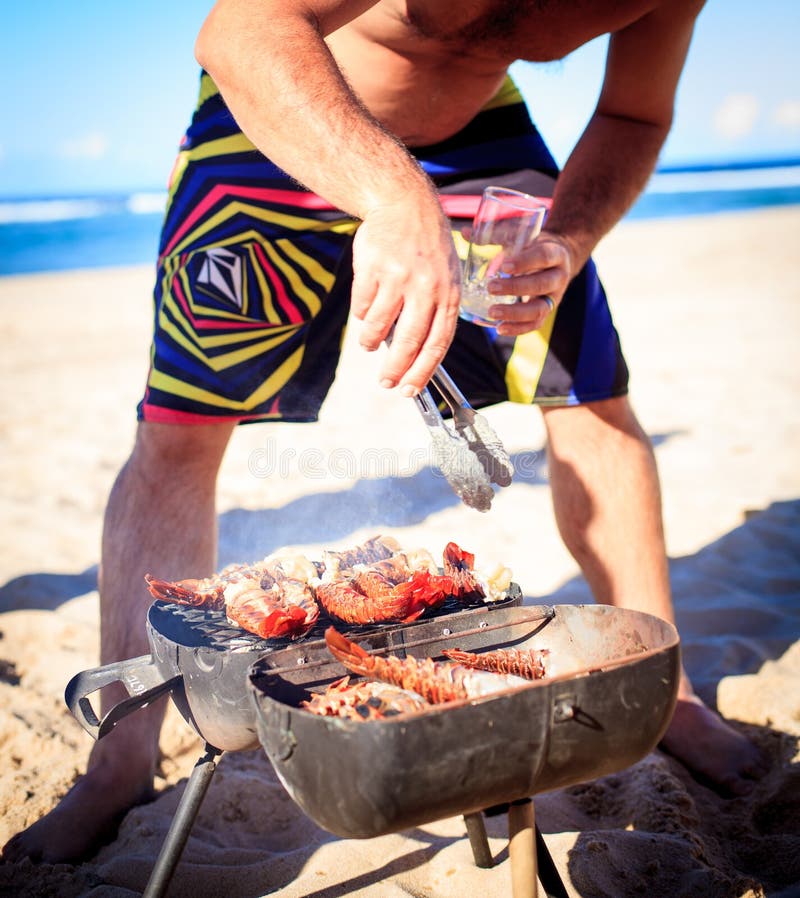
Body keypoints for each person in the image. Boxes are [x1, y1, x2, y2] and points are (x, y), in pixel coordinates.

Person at [3, 0, 767, 865]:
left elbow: (635, 112)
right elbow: (240, 29)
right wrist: (395, 196)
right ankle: (119, 762)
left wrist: (568, 238)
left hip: (476, 134)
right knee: (179, 431)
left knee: (590, 399)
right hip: (277, 112)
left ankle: (670, 698)